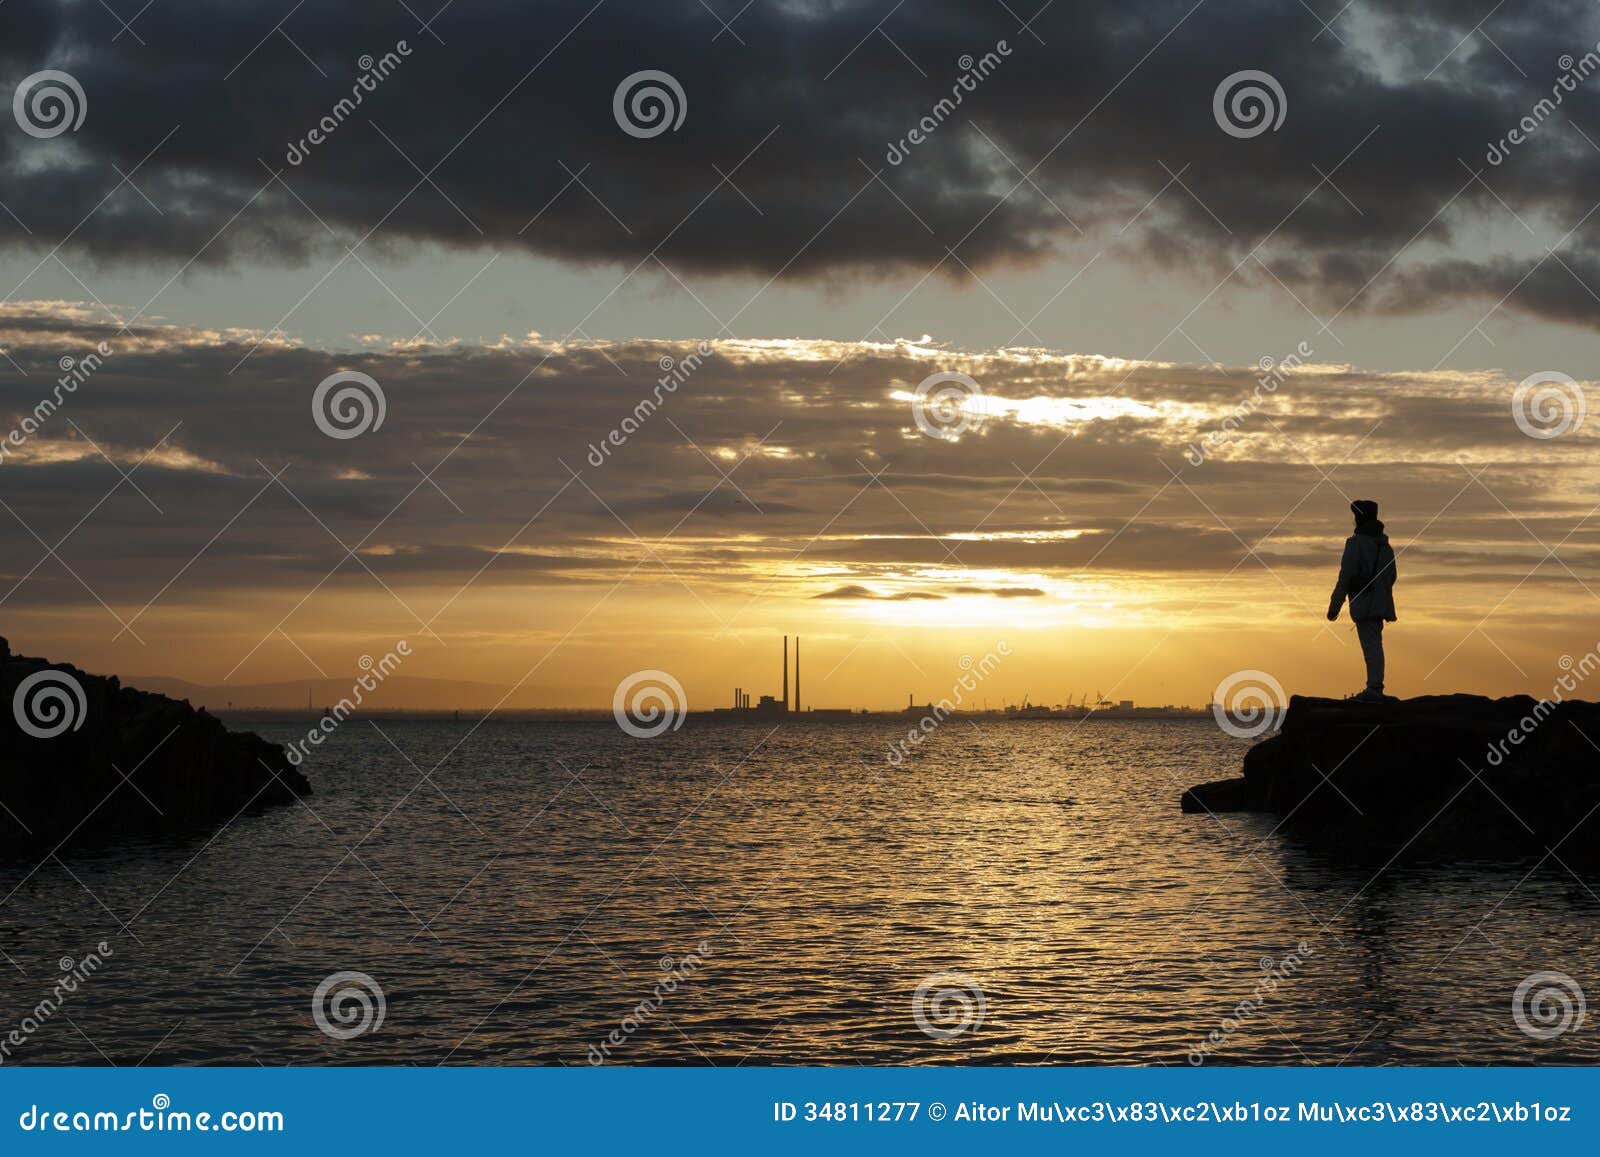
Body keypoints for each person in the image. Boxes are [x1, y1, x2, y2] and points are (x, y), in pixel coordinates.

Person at [1327, 499, 1398, 702]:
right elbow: (1392, 576)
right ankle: (1375, 687)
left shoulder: (1355, 544)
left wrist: (1334, 607)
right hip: (1380, 603)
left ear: (1359, 518)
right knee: (1374, 644)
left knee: (1371, 647)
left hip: (1364, 603)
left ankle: (1374, 689)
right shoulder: (1386, 546)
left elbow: (1346, 577)